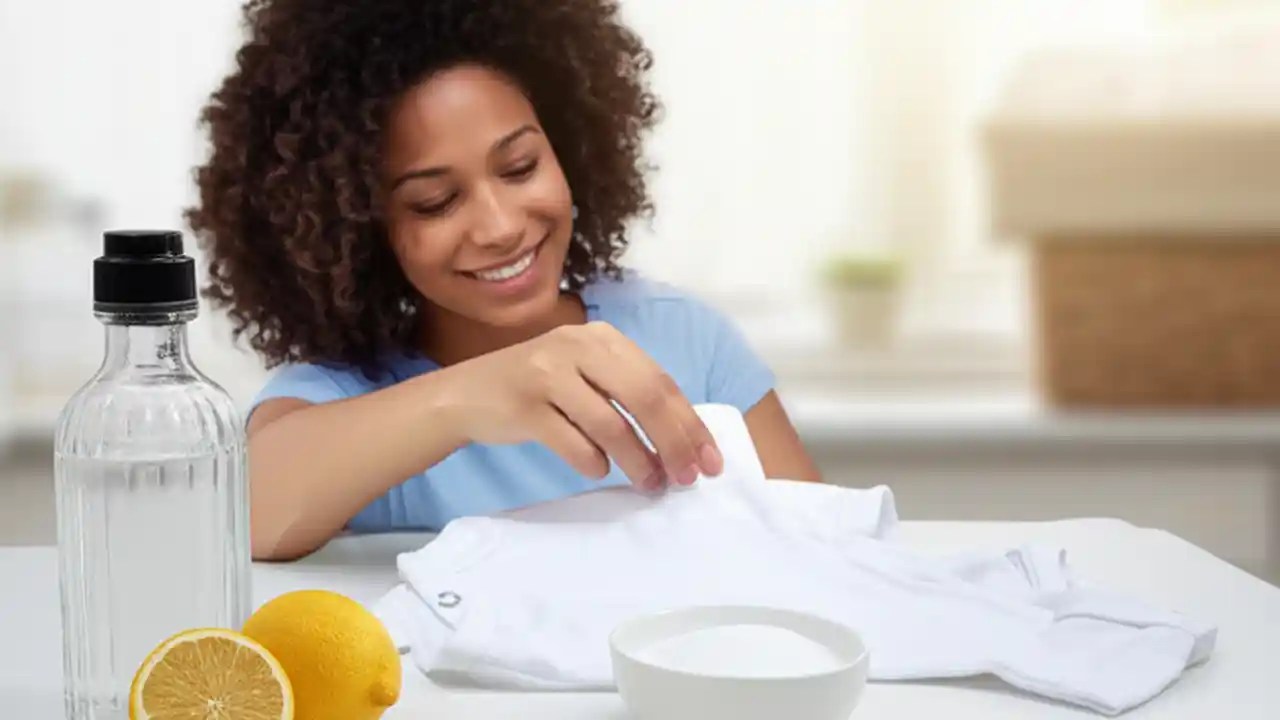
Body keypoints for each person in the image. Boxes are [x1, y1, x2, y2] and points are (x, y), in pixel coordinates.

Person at [188, 0, 821, 561]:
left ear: (569, 147)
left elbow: (824, 553)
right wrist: (468, 398)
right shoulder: (342, 394)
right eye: (435, 202)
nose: (498, 227)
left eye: (519, 167)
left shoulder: (683, 335)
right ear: (358, 228)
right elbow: (245, 515)